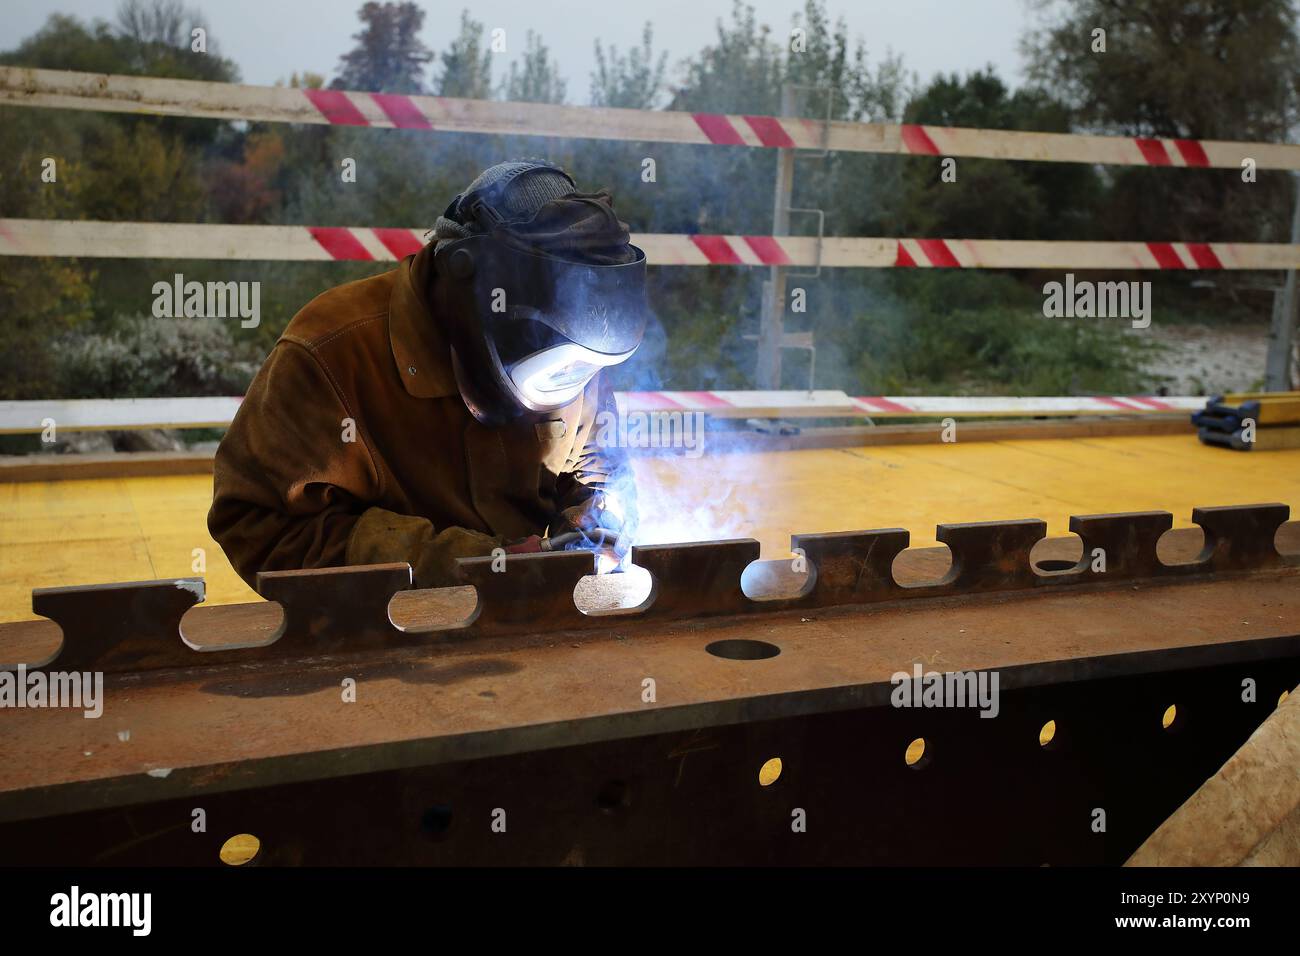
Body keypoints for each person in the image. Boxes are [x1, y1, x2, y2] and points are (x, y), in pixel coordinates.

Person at [208, 160, 647, 589]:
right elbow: (258, 524)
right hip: (379, 635)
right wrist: (455, 564)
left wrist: (595, 521)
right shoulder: (332, 352)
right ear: (466, 287)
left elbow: (594, 471)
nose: (574, 381)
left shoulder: (574, 347)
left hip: (523, 630)